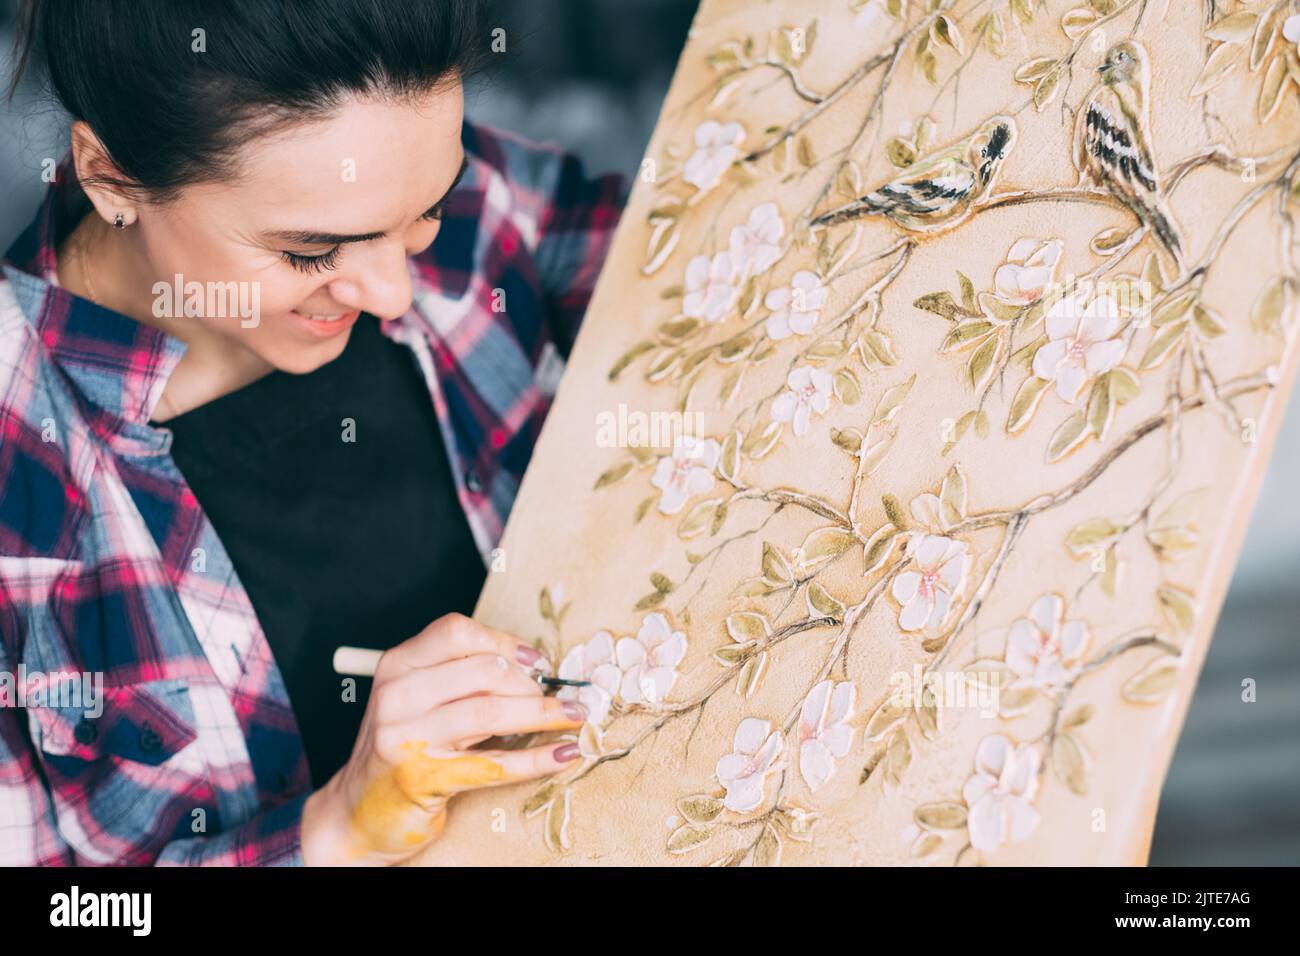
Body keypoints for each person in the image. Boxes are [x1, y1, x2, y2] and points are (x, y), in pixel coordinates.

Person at [0, 0, 628, 865]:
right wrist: (340, 829)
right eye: (311, 253)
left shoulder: (386, 163)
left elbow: (654, 261)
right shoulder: (21, 482)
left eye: (427, 216)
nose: (394, 292)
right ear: (111, 179)